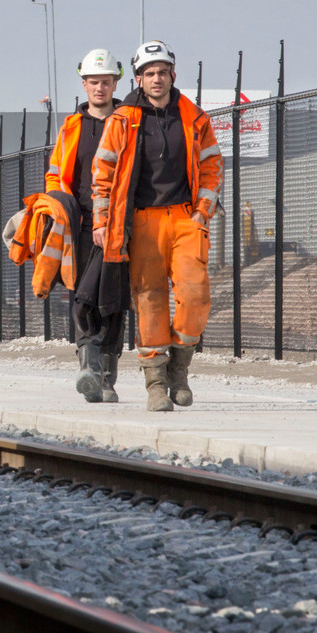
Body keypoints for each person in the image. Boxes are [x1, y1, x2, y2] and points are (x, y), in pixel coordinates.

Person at [90, 41, 222, 411]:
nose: (157, 78)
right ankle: (156, 384)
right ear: (138, 79)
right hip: (142, 220)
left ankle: (180, 369)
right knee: (149, 300)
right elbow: (102, 175)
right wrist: (102, 221)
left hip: (184, 218)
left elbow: (212, 165)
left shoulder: (194, 118)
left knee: (195, 295)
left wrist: (202, 211)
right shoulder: (122, 120)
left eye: (162, 72)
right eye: (149, 73)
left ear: (172, 76)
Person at [46, 48, 127, 403]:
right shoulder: (72, 128)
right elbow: (56, 173)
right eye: (94, 82)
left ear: (115, 83)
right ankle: (88, 363)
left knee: (113, 300)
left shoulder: (127, 123)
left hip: (119, 225)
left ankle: (106, 377)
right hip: (80, 224)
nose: (100, 88)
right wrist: (56, 209)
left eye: (105, 82)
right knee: (81, 295)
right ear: (84, 84)